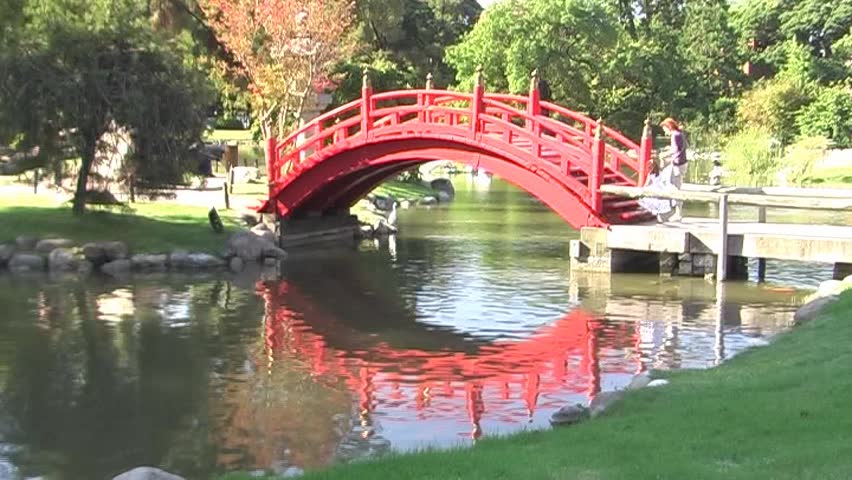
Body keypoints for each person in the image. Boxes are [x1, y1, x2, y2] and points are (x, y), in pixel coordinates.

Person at [660, 117, 687, 220]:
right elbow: (681, 149)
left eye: (665, 129)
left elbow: (675, 150)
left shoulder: (675, 135)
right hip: (681, 163)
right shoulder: (680, 134)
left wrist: (664, 155)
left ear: (669, 127)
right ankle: (674, 210)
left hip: (678, 165)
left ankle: (678, 213)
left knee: (676, 188)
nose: (665, 132)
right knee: (671, 183)